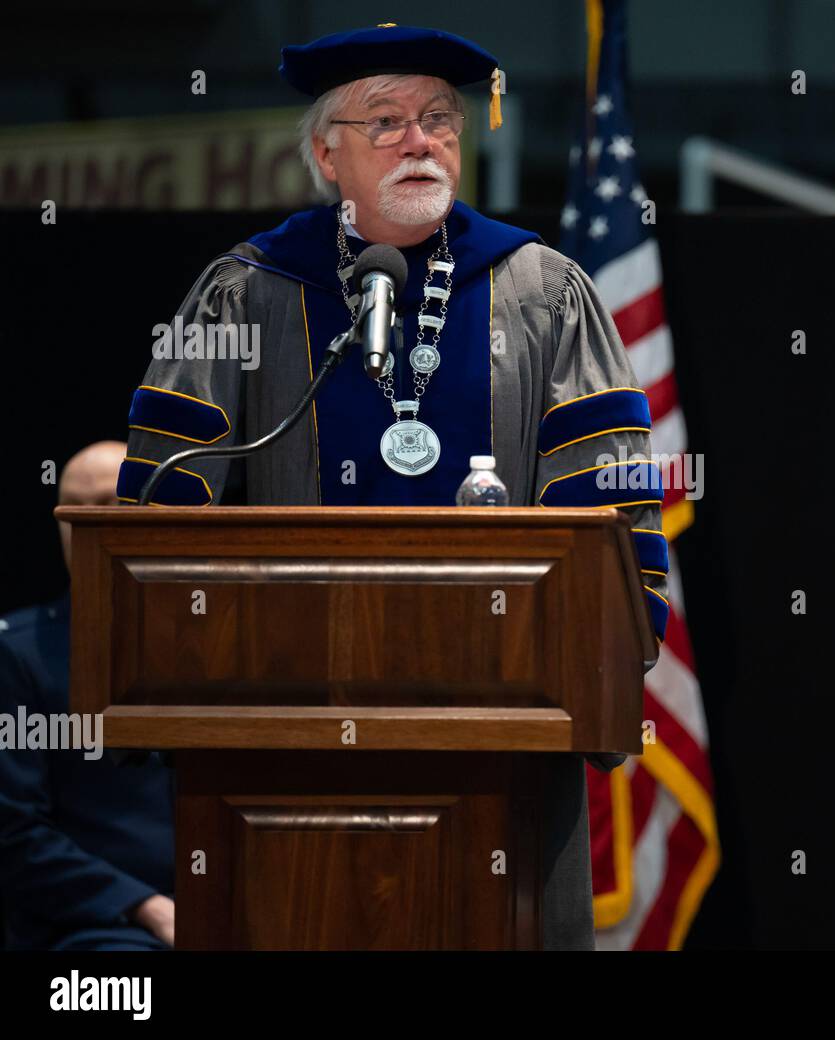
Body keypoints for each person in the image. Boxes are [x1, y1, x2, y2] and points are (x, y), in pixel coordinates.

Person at [115, 25, 669, 950]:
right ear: (328, 153)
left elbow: (607, 508)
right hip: (285, 717)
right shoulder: (244, 293)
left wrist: (597, 665)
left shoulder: (543, 291)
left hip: (507, 719)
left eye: (439, 119)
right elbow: (160, 508)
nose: (421, 140)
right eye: (387, 121)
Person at [0, 441, 175, 951]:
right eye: (71, 512)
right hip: (98, 925)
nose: (85, 527)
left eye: (110, 506)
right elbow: (14, 832)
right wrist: (148, 908)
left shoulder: (206, 645)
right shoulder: (19, 654)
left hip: (219, 906)